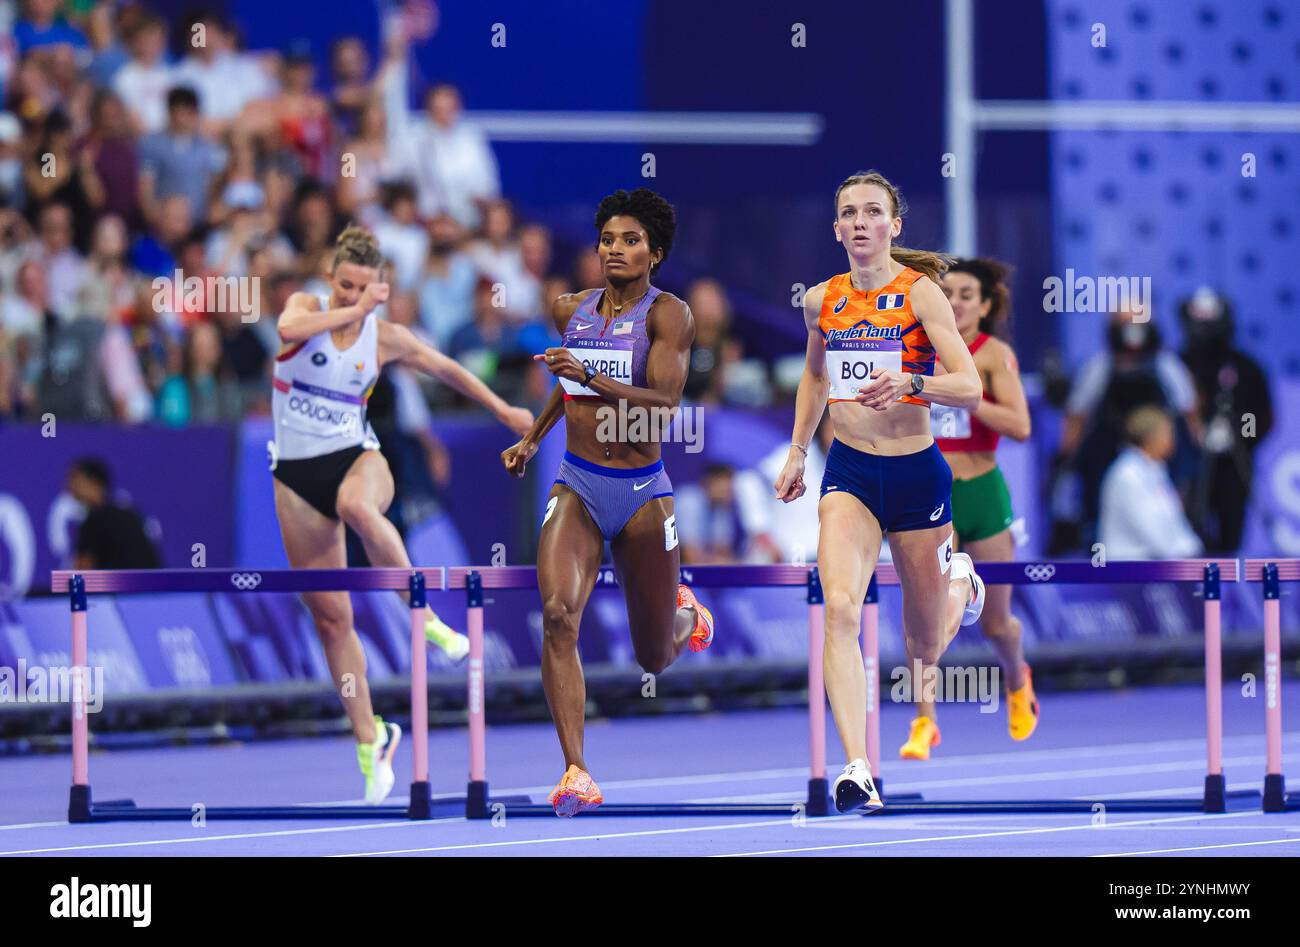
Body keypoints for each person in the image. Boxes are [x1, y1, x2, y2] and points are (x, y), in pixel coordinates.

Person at [271, 225, 533, 804]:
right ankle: (373, 739)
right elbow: (287, 330)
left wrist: (502, 409)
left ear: (381, 287)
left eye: (364, 289)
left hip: (358, 459)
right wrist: (347, 309)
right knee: (332, 621)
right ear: (329, 277)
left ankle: (424, 614)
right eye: (344, 285)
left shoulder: (383, 337)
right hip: (294, 476)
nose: (351, 297)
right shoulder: (305, 308)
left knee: (356, 505)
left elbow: (446, 369)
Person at [774, 171, 986, 812]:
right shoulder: (820, 301)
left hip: (917, 474)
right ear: (837, 229)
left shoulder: (922, 295)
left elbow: (970, 385)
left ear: (894, 226)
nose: (860, 222)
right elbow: (814, 378)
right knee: (839, 608)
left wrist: (911, 384)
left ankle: (961, 584)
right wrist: (796, 450)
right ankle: (858, 766)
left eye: (873, 212)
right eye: (848, 213)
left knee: (923, 646)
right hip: (851, 474)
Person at [500, 188, 715, 817]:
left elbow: (665, 406)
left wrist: (591, 375)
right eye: (607, 239)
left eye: (630, 241)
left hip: (645, 493)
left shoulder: (667, 315)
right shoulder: (573, 307)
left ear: (655, 252)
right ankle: (576, 770)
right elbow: (568, 385)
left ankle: (685, 616)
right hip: (578, 481)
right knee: (558, 616)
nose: (615, 250)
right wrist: (531, 438)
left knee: (653, 657)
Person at [895, 257, 1037, 761]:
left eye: (966, 295)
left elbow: (1021, 426)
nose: (954, 302)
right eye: (947, 292)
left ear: (987, 304)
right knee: (924, 616)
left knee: (997, 623)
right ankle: (924, 722)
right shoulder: (916, 348)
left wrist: (967, 396)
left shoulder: (994, 354)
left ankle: (1018, 682)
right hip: (935, 497)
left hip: (984, 494)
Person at [1177, 288, 1273, 554]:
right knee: (1189, 529)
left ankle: (1229, 588)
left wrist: (1240, 433)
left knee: (1232, 530)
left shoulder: (1245, 367)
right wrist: (1194, 434)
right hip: (1190, 463)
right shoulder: (1177, 364)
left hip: (1233, 463)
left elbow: (1257, 414)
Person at [1099, 406, 1203, 560]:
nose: (1173, 440)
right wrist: (1187, 555)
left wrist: (1194, 549)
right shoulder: (1127, 474)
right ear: (1151, 437)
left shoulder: (1157, 469)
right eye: (1168, 434)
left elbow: (1174, 522)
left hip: (1158, 565)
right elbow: (1152, 532)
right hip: (1128, 570)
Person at [68, 457, 162, 570]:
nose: (68, 485)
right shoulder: (130, 514)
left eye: (74, 478)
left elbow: (80, 574)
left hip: (122, 586)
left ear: (94, 482)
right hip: (152, 585)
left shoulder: (94, 521)